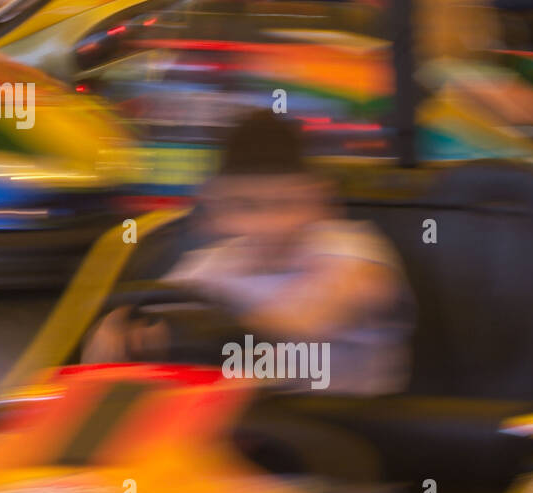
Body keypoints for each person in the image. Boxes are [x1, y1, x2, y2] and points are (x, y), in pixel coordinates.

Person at [82, 110, 412, 397]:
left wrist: (194, 326)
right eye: (244, 207)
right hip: (237, 426)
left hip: (340, 428)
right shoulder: (213, 262)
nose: (266, 225)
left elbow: (306, 320)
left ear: (318, 202)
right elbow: (150, 315)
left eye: (283, 205)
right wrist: (121, 328)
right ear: (216, 208)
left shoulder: (354, 252)